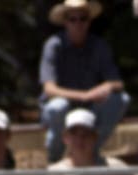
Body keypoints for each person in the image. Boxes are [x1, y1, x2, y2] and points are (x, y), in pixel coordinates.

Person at [39, 0, 130, 161]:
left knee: (121, 99)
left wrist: (106, 86)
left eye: (83, 18)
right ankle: (55, 160)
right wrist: (84, 95)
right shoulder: (53, 45)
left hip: (90, 110)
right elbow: (49, 89)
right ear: (65, 22)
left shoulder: (99, 45)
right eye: (73, 19)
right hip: (63, 109)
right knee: (57, 107)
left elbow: (118, 82)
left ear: (89, 21)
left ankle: (90, 154)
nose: (78, 23)